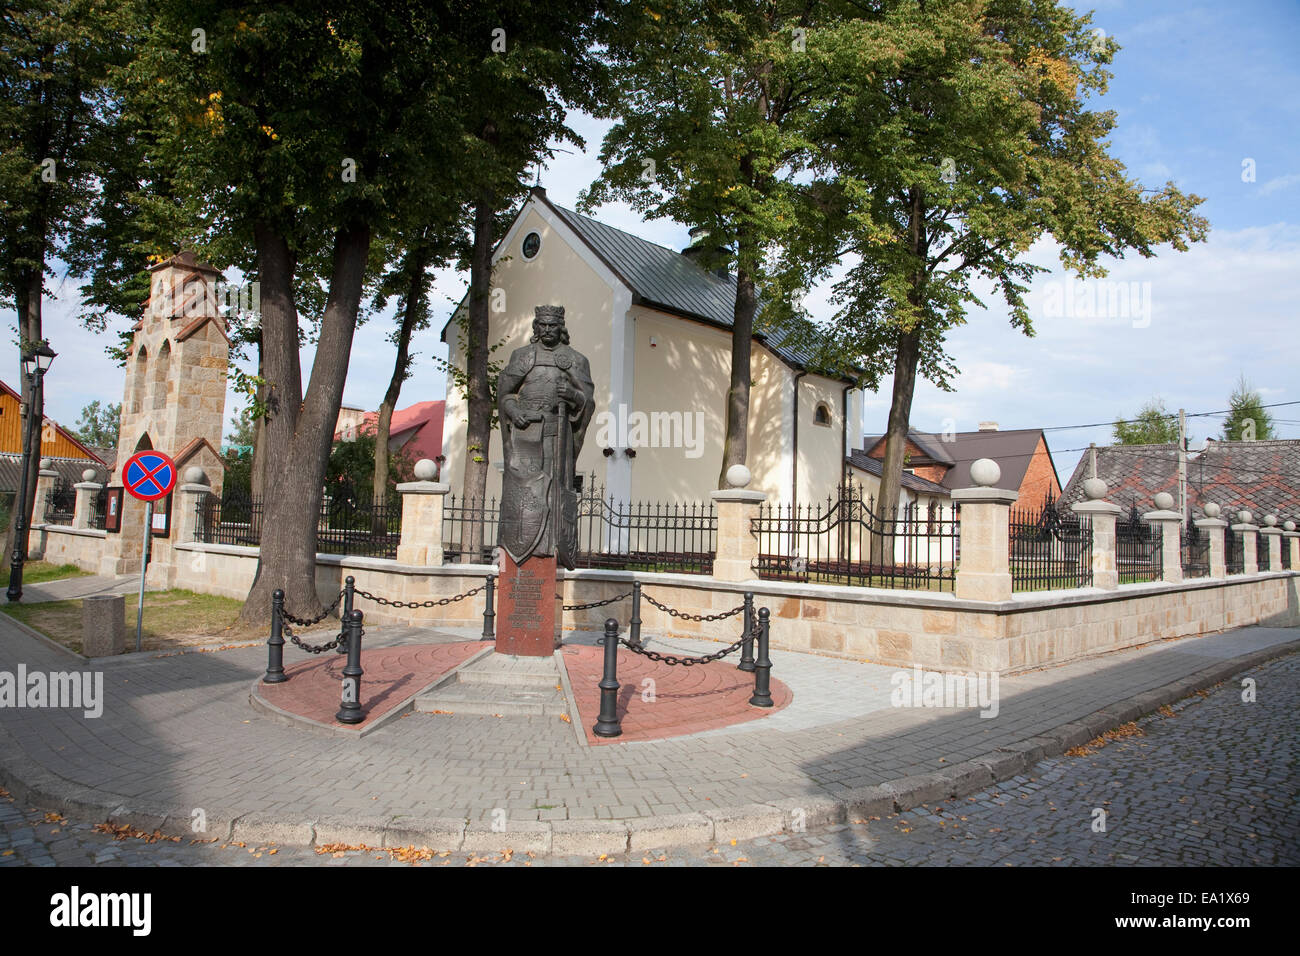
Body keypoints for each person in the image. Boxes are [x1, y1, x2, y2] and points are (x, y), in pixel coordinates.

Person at [496, 305, 595, 567]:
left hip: (556, 434)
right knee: (525, 494)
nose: (548, 330)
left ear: (561, 328)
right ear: (536, 327)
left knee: (552, 491)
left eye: (553, 326)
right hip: (525, 435)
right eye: (543, 325)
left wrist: (573, 395)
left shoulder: (575, 360)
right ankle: (522, 543)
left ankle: (548, 546)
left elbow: (588, 400)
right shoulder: (522, 356)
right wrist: (513, 409)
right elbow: (504, 394)